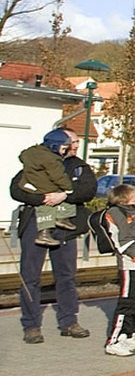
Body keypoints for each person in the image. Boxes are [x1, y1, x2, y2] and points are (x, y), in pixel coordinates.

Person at [9, 128, 96, 344]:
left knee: (66, 275)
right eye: (71, 141)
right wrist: (43, 198)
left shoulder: (79, 167)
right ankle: (31, 325)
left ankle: (69, 321)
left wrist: (64, 196)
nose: (75, 145)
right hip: (36, 222)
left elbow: (88, 191)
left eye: (76, 141)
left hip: (65, 226)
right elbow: (16, 189)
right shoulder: (38, 162)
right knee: (30, 276)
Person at [103, 183, 135, 356]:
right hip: (130, 264)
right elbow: (120, 239)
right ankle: (115, 340)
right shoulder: (115, 213)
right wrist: (134, 255)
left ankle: (133, 333)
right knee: (127, 302)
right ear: (124, 201)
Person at [17, 129, 78, 247]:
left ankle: (59, 219)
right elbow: (58, 176)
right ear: (55, 147)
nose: (64, 152)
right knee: (48, 207)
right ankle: (46, 232)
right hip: (44, 187)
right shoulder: (52, 160)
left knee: (47, 206)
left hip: (29, 184)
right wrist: (68, 189)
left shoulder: (31, 153)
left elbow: (22, 156)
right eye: (64, 149)